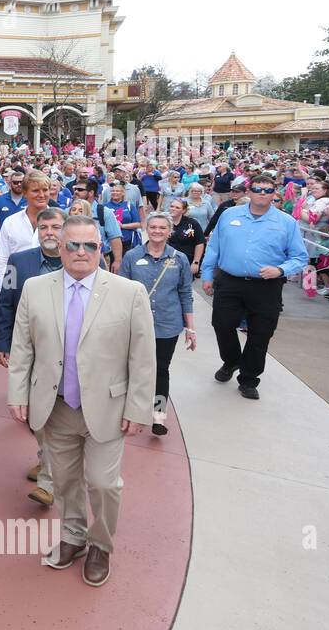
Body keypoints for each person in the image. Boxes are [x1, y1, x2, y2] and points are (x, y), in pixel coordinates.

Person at [6, 215, 156, 587]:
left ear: (101, 249)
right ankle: (73, 538)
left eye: (89, 245)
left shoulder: (129, 293)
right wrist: (18, 393)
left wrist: (139, 408)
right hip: (55, 406)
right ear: (59, 246)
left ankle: (100, 545)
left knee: (103, 484)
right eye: (72, 244)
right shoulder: (35, 289)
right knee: (66, 480)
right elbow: (22, 347)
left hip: (107, 409)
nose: (80, 252)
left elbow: (142, 356)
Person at [200, 173, 309, 400]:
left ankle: (249, 379)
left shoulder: (286, 222)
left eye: (267, 190)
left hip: (266, 287)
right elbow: (214, 248)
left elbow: (300, 257)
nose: (262, 194)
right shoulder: (229, 215)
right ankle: (231, 361)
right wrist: (208, 275)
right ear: (248, 192)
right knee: (222, 324)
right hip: (229, 281)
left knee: (260, 334)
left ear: (274, 194)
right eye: (257, 189)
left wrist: (280, 270)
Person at [0, 207, 66, 506]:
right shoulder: (18, 261)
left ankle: (50, 479)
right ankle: (45, 458)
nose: (50, 232)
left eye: (56, 227)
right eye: (44, 227)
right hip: (28, 350)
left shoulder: (77, 261)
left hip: (64, 352)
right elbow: (6, 303)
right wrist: (2, 341)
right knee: (34, 415)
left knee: (56, 413)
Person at [119, 213, 196, 436]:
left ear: (169, 231)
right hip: (136, 325)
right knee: (131, 368)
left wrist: (190, 328)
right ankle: (130, 409)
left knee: (161, 370)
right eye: (153, 227)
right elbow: (121, 291)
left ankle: (158, 415)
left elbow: (185, 293)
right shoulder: (132, 257)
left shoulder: (179, 259)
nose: (157, 231)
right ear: (146, 229)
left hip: (167, 325)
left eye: (162, 228)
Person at [0, 172, 52, 295]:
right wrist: (1, 295)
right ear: (24, 193)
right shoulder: (10, 223)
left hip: (51, 290)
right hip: (18, 289)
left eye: (45, 190)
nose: (41, 195)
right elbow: (3, 261)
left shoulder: (62, 222)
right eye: (35, 191)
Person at [166, 198, 206, 275]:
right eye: (172, 206)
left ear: (183, 210)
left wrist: (196, 262)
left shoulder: (192, 224)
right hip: (167, 262)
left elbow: (200, 243)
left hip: (186, 262)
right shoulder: (164, 222)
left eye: (177, 207)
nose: (173, 209)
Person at [105, 180, 143, 250]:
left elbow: (138, 224)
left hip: (127, 241)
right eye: (113, 191)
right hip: (110, 241)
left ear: (123, 193)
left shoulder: (129, 205)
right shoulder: (105, 207)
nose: (115, 193)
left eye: (117, 191)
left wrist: (122, 226)